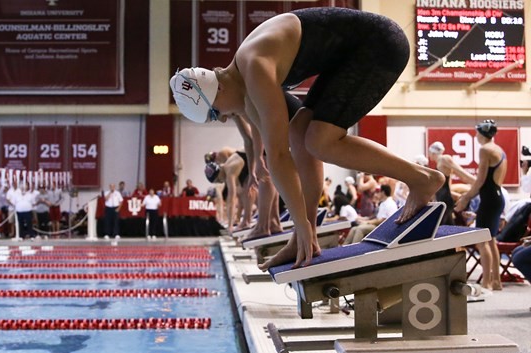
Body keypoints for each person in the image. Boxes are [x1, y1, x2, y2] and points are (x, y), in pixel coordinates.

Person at [170, 7, 444, 269]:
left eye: (214, 113)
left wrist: (298, 221)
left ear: (217, 90)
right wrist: (301, 226)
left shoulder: (254, 67)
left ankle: (421, 178)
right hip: (351, 55)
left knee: (320, 140)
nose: (222, 119)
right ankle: (306, 234)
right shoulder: (245, 80)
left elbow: (279, 155)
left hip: (380, 44)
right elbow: (271, 145)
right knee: (301, 131)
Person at [455, 120, 507, 291]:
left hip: (489, 199)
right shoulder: (499, 150)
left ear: (482, 133)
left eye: (477, 132)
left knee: (482, 240)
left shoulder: (485, 150)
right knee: (491, 241)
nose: (476, 135)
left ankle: (486, 283)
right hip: (497, 197)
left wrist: (465, 198)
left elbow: (480, 181)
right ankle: (496, 281)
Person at [427, 141, 475, 226]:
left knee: (443, 227)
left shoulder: (444, 159)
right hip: (442, 200)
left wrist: (478, 182)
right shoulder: (439, 163)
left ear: (432, 152)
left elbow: (462, 173)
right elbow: (447, 186)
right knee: (447, 226)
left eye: (429, 152)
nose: (429, 155)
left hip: (445, 200)